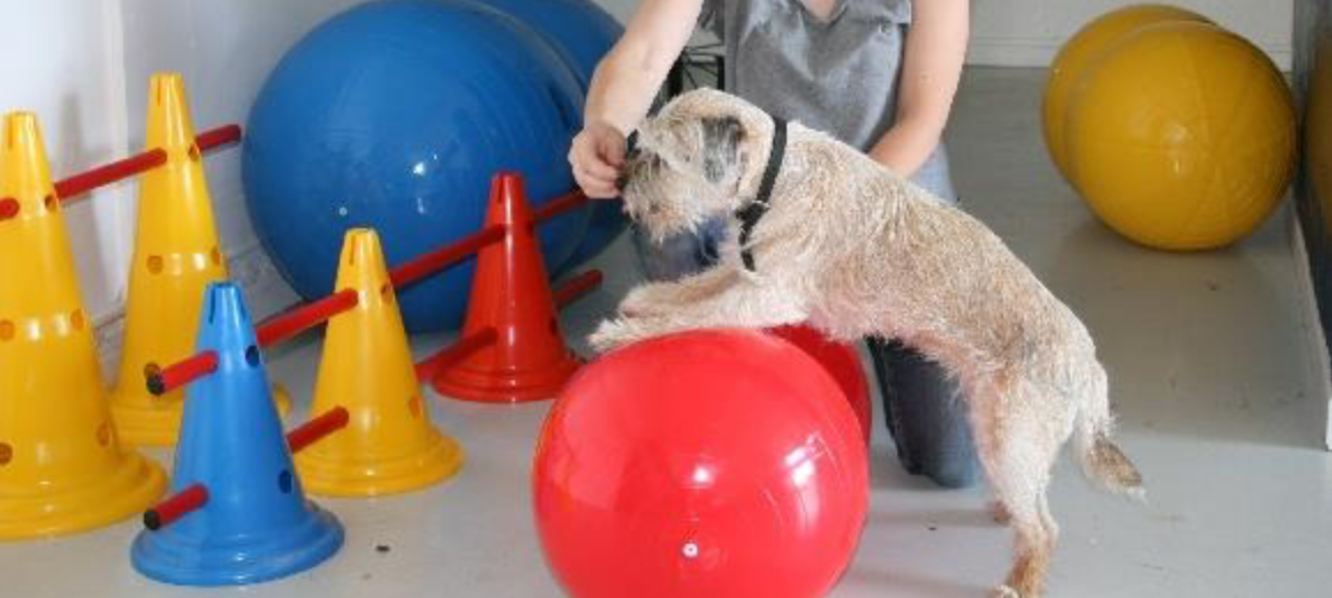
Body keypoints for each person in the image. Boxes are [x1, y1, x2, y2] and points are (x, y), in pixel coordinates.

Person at [568, 0, 979, 489]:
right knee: (671, 213)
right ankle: (712, 397)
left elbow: (920, 122)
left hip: (889, 212)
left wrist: (818, 224)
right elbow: (642, 53)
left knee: (948, 464)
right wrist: (604, 125)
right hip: (764, 217)